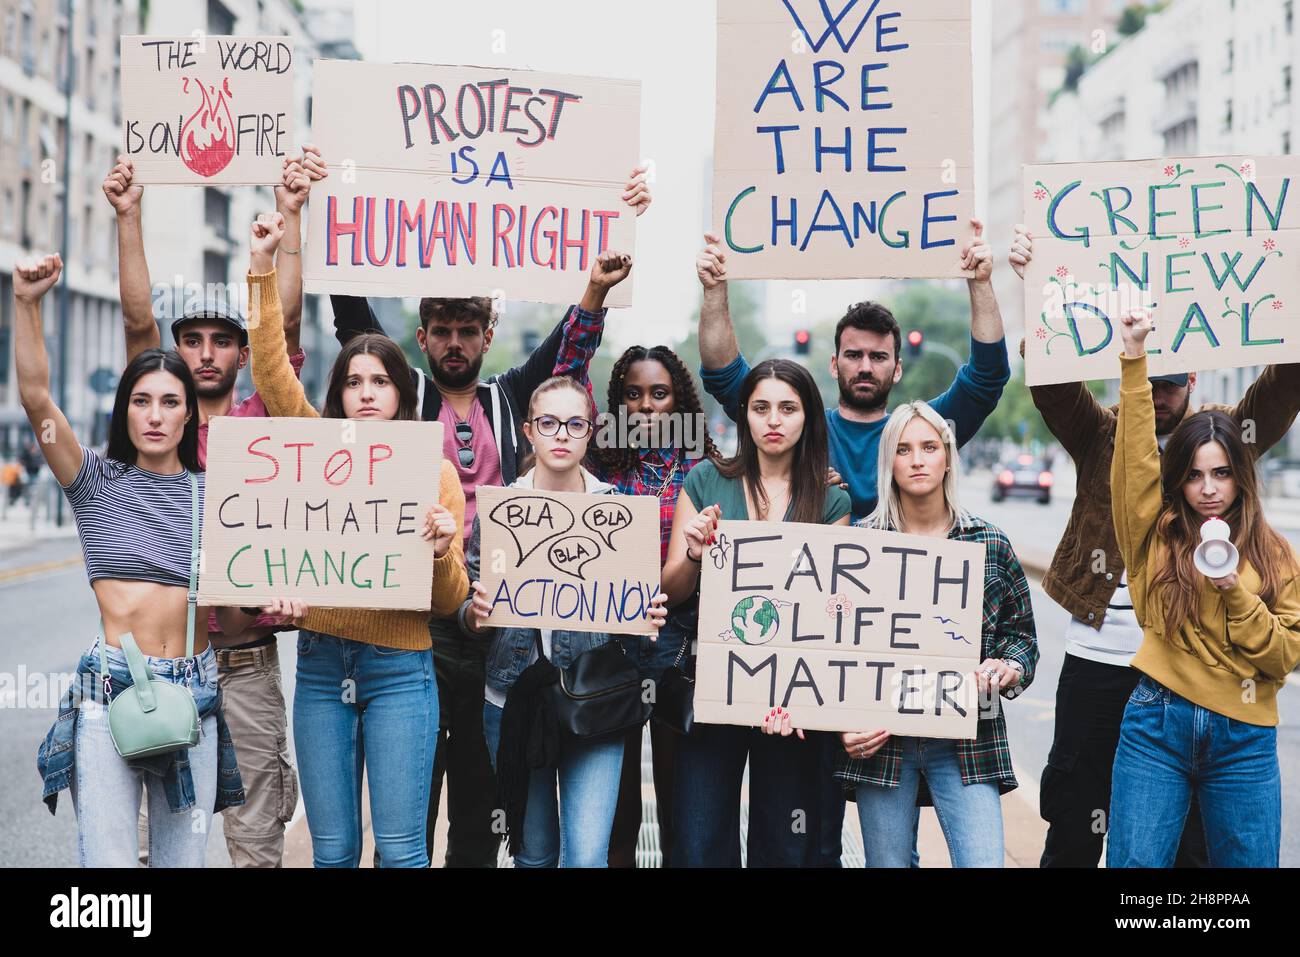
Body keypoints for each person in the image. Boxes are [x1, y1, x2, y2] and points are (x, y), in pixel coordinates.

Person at [330, 168, 651, 867]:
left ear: (486, 334)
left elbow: (573, 348)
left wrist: (595, 287)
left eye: (466, 330)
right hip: (417, 617)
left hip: (506, 619)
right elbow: (352, 322)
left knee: (482, 804)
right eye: (441, 330)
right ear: (420, 336)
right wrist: (324, 222)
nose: (454, 341)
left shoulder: (512, 399)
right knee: (407, 803)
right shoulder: (400, 394)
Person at [695, 220, 1011, 867]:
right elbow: (726, 371)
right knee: (817, 833)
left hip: (903, 667)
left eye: (878, 355)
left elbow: (987, 375)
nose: (865, 365)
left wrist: (980, 280)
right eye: (854, 354)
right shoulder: (802, 430)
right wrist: (716, 288)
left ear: (898, 365)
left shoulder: (919, 430)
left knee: (890, 838)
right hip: (815, 662)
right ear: (834, 361)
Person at [1009, 226, 1300, 867]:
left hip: (1189, 676)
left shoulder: (1225, 440)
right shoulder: (1101, 434)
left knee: (1190, 845)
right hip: (1098, 660)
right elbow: (1053, 385)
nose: (1161, 394)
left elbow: (1278, 395)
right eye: (1152, 383)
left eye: (1171, 383)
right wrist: (1036, 289)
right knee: (1076, 822)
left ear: (1191, 379)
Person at [20, 253, 295, 866]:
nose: (155, 415)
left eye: (170, 403)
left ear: (188, 413)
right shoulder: (95, 482)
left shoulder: (216, 492)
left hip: (196, 693)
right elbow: (37, 397)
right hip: (111, 691)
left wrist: (273, 603)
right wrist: (27, 304)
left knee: (181, 864)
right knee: (114, 867)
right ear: (125, 408)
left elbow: (230, 603)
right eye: (141, 401)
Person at [102, 147, 324, 867]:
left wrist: (291, 215)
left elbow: (284, 325)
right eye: (190, 340)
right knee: (156, 846)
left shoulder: (265, 415)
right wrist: (128, 217)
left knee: (255, 842)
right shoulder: (158, 425)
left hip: (247, 663)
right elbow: (138, 320)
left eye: (221, 341)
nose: (204, 354)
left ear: (239, 350)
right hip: (164, 670)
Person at [244, 212, 469, 867]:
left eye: (380, 381)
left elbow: (451, 599)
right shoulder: (316, 447)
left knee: (401, 852)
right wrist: (263, 266)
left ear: (402, 393)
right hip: (320, 666)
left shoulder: (435, 471)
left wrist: (441, 545)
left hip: (401, 670)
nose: (366, 393)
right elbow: (271, 374)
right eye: (353, 381)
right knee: (333, 851)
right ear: (339, 393)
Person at [1107, 309, 1299, 867]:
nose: (1208, 489)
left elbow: (1284, 655)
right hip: (1156, 724)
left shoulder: (1276, 553)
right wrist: (1135, 360)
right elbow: (1134, 462)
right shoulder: (1152, 535)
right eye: (1193, 474)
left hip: (1245, 736)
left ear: (1241, 474)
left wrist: (1234, 588)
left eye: (1220, 473)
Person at [459, 375, 669, 867]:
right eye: (549, 423)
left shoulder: (617, 512)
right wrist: (475, 612)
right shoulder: (498, 511)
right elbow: (470, 611)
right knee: (534, 855)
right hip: (511, 699)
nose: (561, 434)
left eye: (574, 424)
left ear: (590, 432)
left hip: (593, 698)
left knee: (588, 855)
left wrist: (647, 613)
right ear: (529, 431)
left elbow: (632, 607)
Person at [830, 401, 1038, 867]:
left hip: (967, 738)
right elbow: (831, 648)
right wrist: (844, 725)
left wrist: (1010, 666)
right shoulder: (861, 546)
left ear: (947, 456)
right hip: (884, 740)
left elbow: (1021, 635)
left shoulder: (989, 542)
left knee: (983, 860)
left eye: (929, 447)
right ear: (889, 462)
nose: (918, 459)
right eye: (903, 449)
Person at [662, 359, 851, 867]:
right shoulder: (705, 479)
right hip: (714, 686)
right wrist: (694, 551)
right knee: (699, 841)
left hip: (792, 701)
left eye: (788, 408)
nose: (774, 420)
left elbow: (830, 611)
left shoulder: (831, 501)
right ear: (743, 415)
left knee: (784, 843)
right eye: (761, 407)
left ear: (808, 417)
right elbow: (672, 590)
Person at [577, 344, 723, 867]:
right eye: (632, 395)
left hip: (678, 646)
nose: (645, 405)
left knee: (685, 808)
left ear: (679, 402)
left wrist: (818, 478)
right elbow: (566, 377)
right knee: (613, 815)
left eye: (659, 394)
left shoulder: (707, 470)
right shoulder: (593, 462)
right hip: (606, 647)